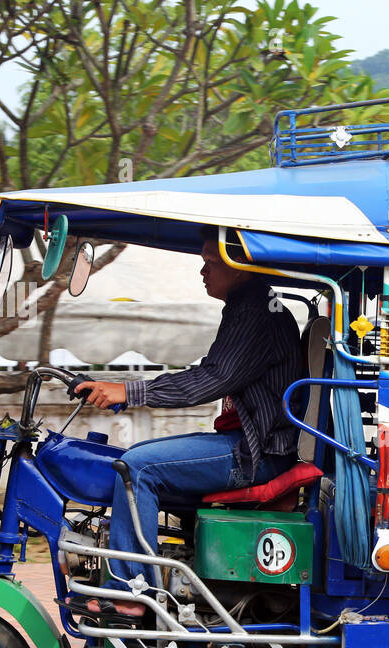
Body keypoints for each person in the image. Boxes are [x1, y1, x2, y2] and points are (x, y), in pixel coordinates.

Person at [74, 237, 303, 616]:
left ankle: (133, 591)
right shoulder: (254, 305)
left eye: (211, 262)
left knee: (138, 467)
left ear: (240, 265)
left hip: (256, 454)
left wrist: (128, 392)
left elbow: (213, 379)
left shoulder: (253, 309)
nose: (202, 270)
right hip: (254, 443)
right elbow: (214, 372)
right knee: (137, 458)